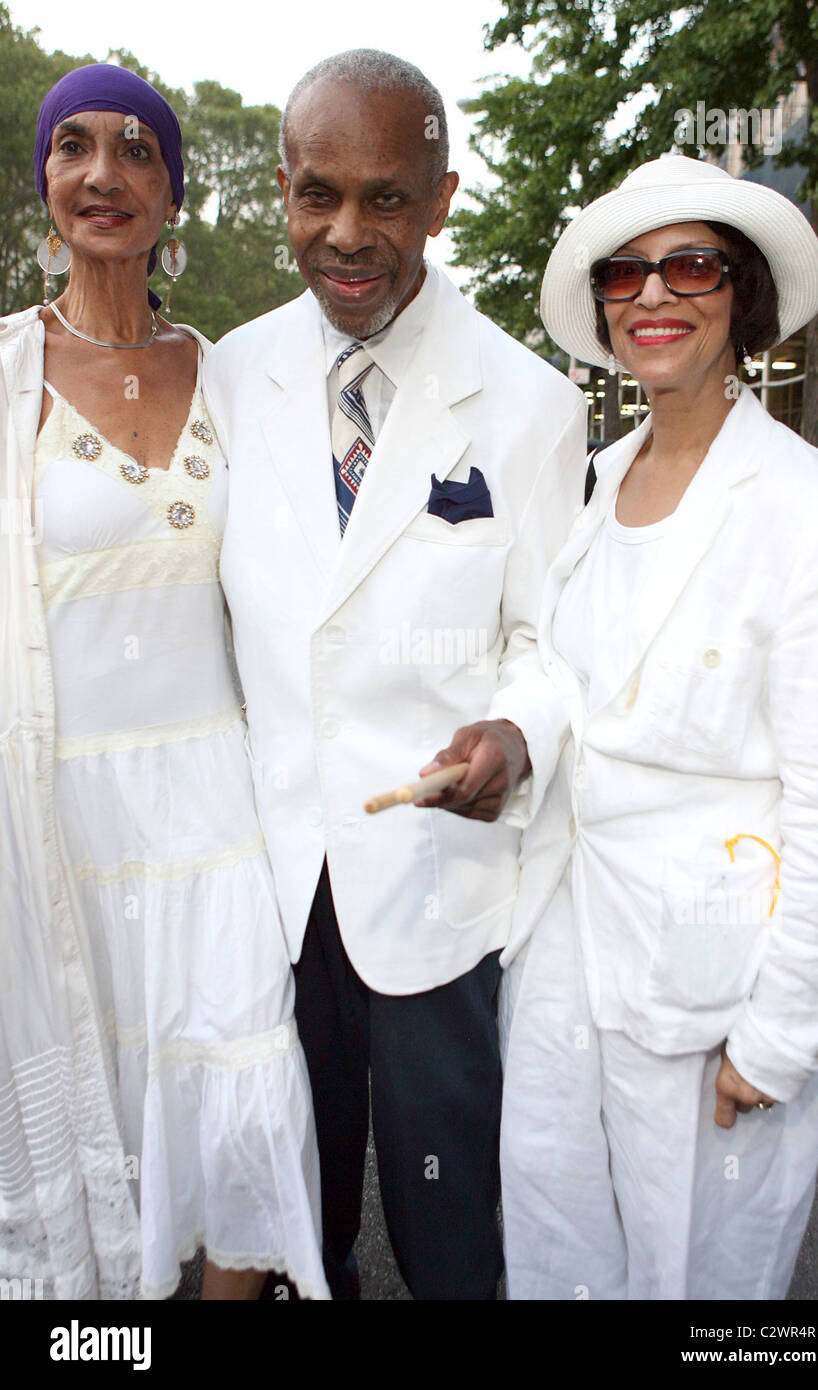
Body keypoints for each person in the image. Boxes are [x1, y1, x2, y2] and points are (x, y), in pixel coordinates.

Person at [436, 152, 818, 1299]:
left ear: (740, 297)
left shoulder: (796, 504)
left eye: (690, 266)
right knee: (561, 1245)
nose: (654, 295)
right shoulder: (594, 477)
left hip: (715, 977)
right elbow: (564, 679)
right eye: (625, 273)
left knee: (701, 1282)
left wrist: (783, 1034)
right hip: (570, 943)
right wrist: (509, 733)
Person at [202, 48, 588, 1300]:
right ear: (281, 191)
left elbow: (547, 635)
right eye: (319, 195)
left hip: (433, 880)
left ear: (443, 196)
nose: (348, 234)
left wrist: (515, 732)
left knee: (450, 1226)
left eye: (386, 198)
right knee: (287, 1217)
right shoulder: (229, 375)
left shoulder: (527, 403)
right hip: (271, 877)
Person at [0, 63, 329, 1301]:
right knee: (99, 1103)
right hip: (54, 823)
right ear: (46, 181)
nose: (102, 173)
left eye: (135, 150)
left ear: (170, 193)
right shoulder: (4, 377)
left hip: (215, 804)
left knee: (239, 1105)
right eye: (73, 146)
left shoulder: (235, 373)